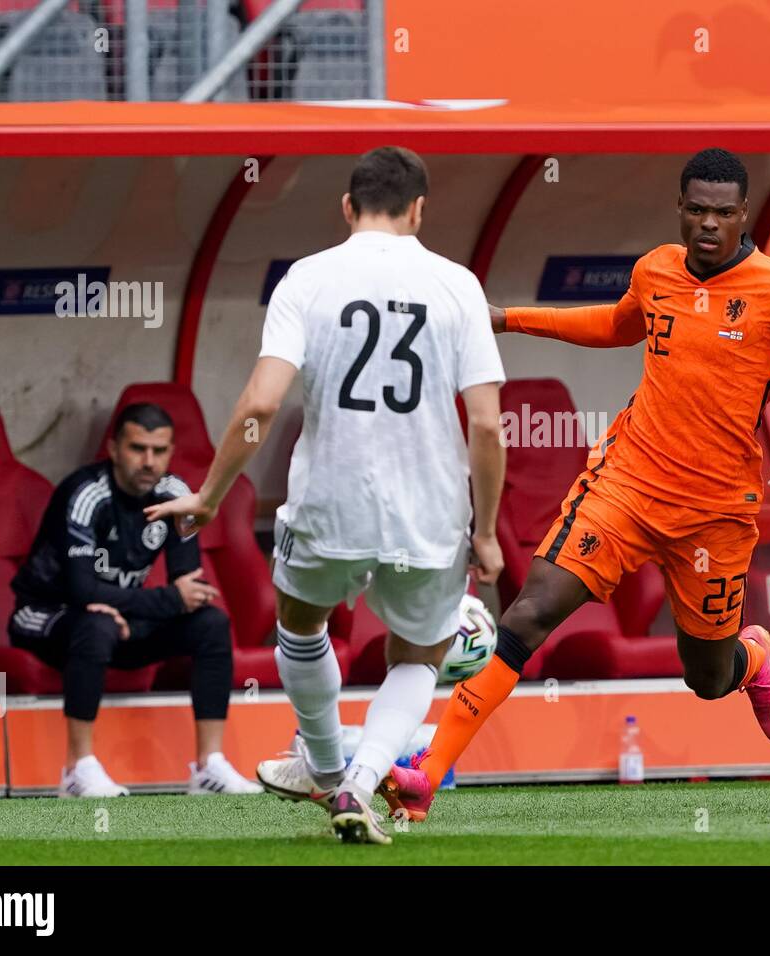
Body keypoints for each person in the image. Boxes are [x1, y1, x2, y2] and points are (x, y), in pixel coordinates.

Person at [379, 148, 770, 822]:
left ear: (744, 215)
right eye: (696, 209)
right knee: (530, 610)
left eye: (723, 213)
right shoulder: (657, 269)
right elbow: (615, 324)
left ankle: (752, 658)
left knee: (706, 677)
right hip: (628, 482)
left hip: (716, 514)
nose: (708, 225)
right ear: (680, 207)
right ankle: (426, 775)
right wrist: (508, 318)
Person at [145, 146, 506, 844]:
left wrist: (211, 495)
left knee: (302, 624)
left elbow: (260, 403)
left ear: (347, 207)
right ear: (419, 210)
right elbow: (488, 424)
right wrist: (486, 531)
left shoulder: (306, 280)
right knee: (418, 657)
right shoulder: (458, 285)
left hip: (328, 501)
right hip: (430, 509)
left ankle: (323, 760)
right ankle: (359, 782)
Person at [9, 403, 260, 797]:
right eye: (137, 448)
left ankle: (208, 767)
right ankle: (77, 770)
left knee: (211, 624)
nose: (148, 461)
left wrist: (142, 604)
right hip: (44, 615)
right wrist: (160, 602)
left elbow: (187, 590)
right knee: (95, 624)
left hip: (119, 620)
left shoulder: (175, 494)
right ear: (112, 449)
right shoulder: (86, 494)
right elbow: (82, 591)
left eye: (159, 451)